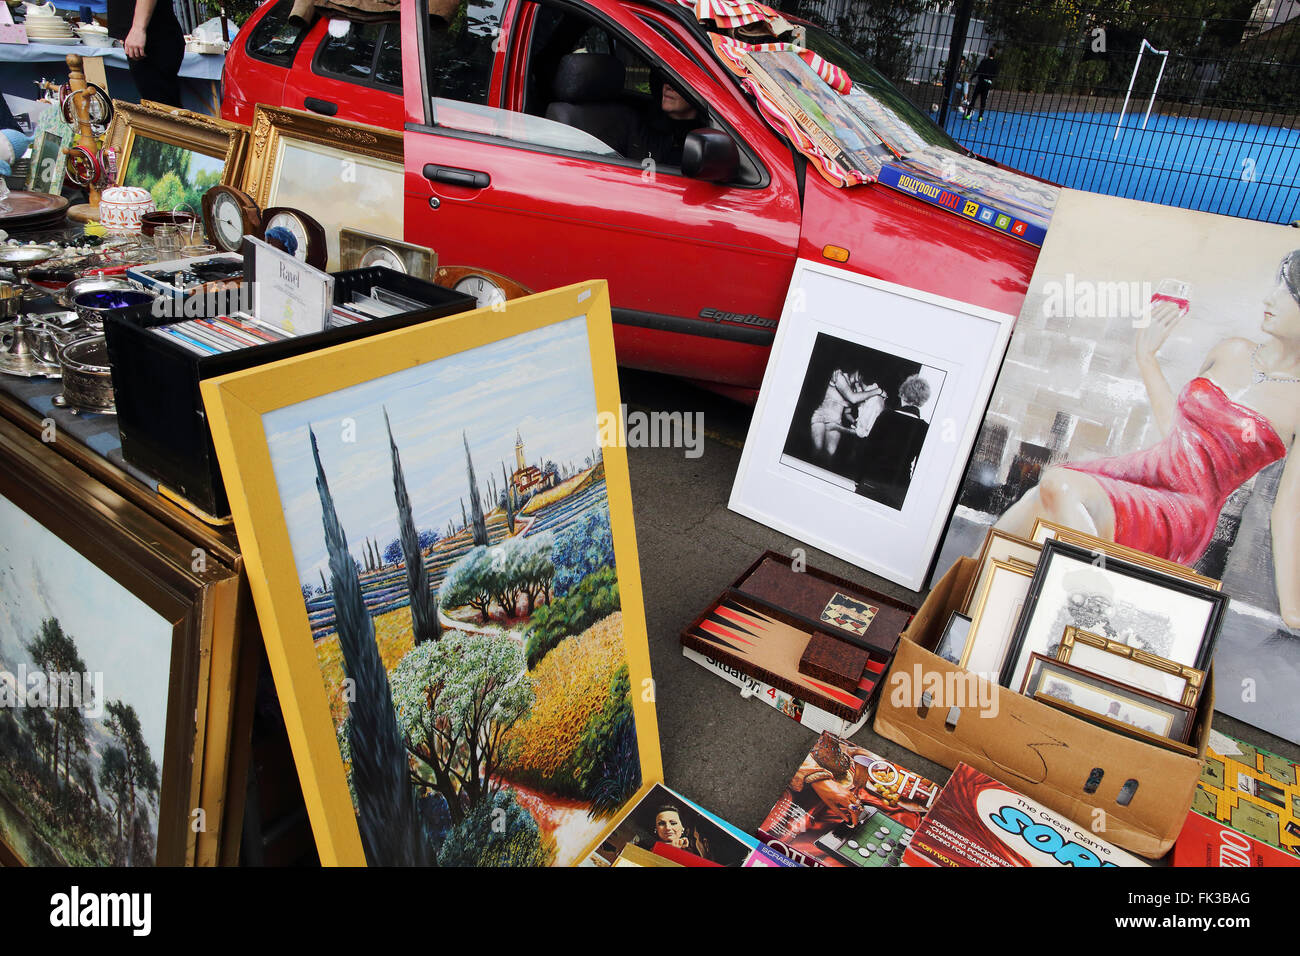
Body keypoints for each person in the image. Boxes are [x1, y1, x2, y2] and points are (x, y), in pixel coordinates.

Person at [995, 252, 1300, 628]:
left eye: (1285, 291)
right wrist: (1146, 356)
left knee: (1059, 485)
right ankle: (965, 607)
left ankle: (1098, 599)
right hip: (1148, 469)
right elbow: (1177, 430)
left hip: (1185, 507)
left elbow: (1289, 508)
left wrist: (1293, 609)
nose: (1270, 298)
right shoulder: (1232, 350)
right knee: (1036, 499)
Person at [850, 373, 933, 509]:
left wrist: (858, 479)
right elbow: (920, 467)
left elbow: (868, 450)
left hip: (873, 480)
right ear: (922, 401)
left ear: (903, 395)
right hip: (899, 489)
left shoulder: (887, 416)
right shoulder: (924, 428)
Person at [107, 0, 185, 108]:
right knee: (156, 108)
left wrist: (138, 28)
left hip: (153, 39)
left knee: (161, 110)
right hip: (141, 40)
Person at [810, 369, 886, 460]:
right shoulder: (839, 376)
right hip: (821, 417)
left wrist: (854, 422)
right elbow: (853, 399)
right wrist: (878, 391)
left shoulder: (854, 389)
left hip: (836, 422)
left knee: (829, 456)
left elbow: (847, 412)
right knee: (817, 452)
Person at [629, 80, 702, 167]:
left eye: (679, 82)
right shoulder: (638, 128)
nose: (668, 87)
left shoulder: (704, 141)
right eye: (666, 80)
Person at [965, 46, 999, 122]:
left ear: (988, 53)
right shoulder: (996, 63)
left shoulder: (984, 61)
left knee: (974, 98)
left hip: (981, 82)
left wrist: (971, 78)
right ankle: (980, 116)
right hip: (988, 83)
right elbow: (995, 74)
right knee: (983, 101)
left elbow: (978, 70)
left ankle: (968, 114)